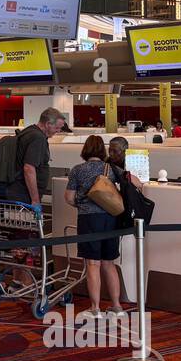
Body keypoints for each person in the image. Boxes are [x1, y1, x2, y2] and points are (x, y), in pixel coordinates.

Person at [64, 135, 127, 318]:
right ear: (103, 151)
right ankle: (116, 306)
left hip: (89, 219)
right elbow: (133, 183)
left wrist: (82, 205)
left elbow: (68, 197)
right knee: (109, 263)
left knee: (92, 264)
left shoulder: (77, 170)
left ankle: (95, 308)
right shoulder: (111, 168)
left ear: (85, 150)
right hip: (110, 218)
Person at [9, 107, 65, 207]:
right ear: (48, 124)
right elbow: (29, 168)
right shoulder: (38, 138)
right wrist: (35, 200)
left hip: (16, 190)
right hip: (24, 194)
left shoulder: (28, 131)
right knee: (28, 222)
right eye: (57, 128)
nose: (59, 131)